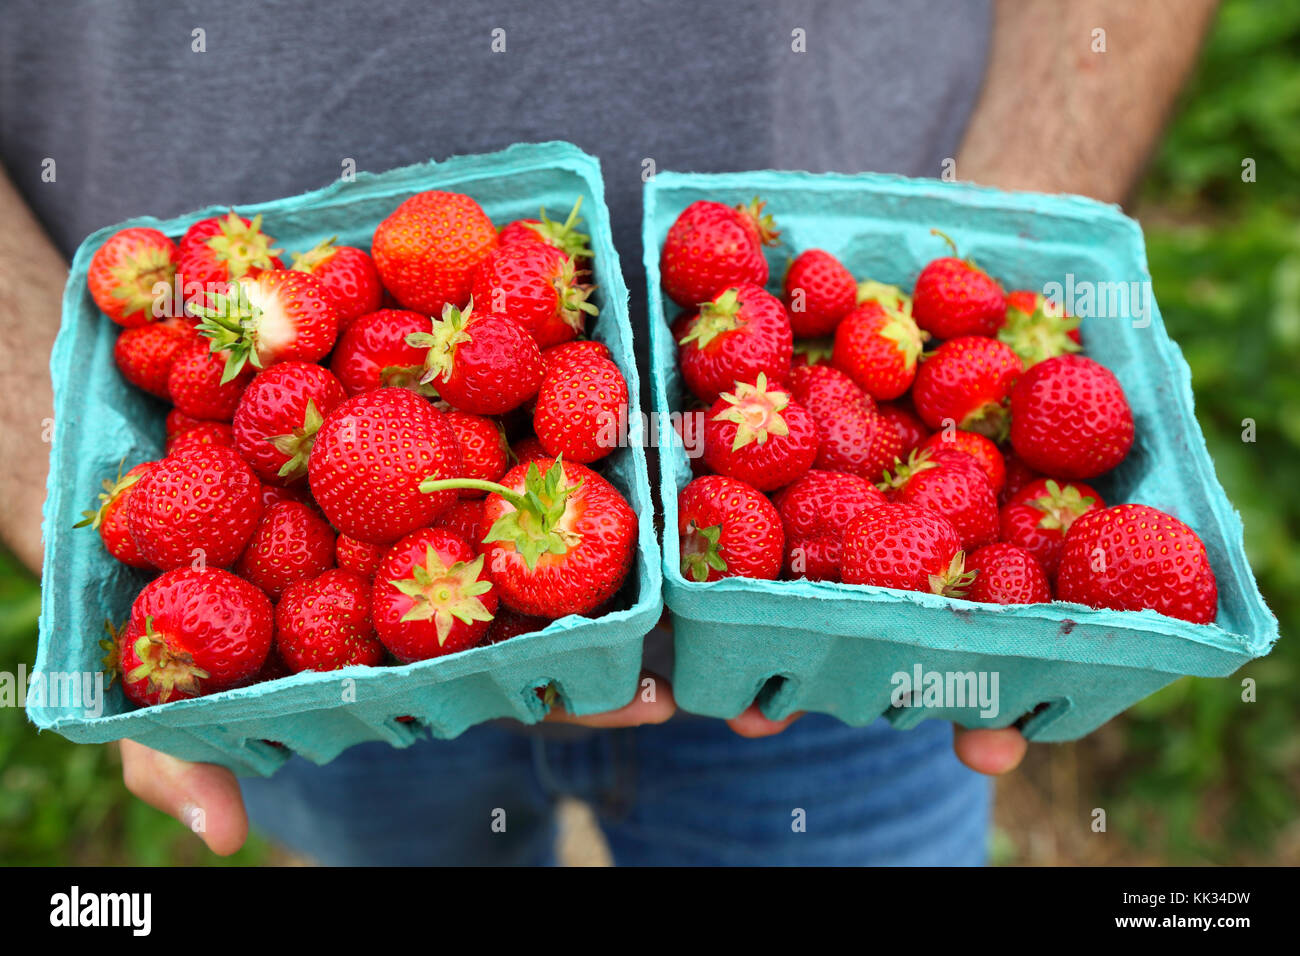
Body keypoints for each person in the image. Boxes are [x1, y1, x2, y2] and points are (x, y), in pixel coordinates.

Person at [0, 0, 1218, 864]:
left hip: (843, 664)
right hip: (333, 690)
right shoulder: (309, 422)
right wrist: (49, 473)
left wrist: (1004, 250)